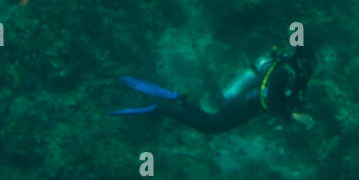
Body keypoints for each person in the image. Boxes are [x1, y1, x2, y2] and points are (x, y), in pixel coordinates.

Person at [112, 46, 314, 133]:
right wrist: (292, 115)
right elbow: (269, 99)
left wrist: (294, 112)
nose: (310, 67)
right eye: (308, 63)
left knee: (210, 122)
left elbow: (286, 100)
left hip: (251, 106)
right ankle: (159, 108)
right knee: (210, 126)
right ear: (301, 61)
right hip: (248, 103)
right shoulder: (285, 73)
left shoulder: (298, 77)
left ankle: (179, 100)